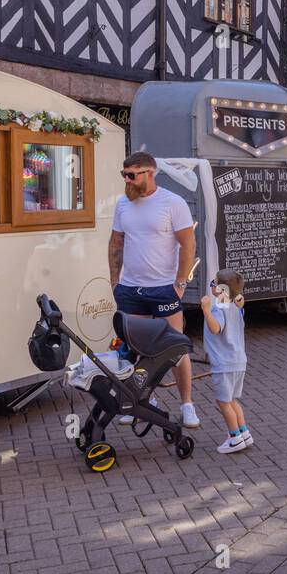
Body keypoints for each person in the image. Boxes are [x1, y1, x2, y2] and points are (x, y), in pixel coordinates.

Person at [109, 151, 200, 429]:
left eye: (132, 175)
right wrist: (114, 282)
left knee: (176, 349)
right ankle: (141, 401)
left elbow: (188, 245)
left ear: (150, 173)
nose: (127, 180)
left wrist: (180, 284)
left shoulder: (172, 203)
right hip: (130, 288)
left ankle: (187, 405)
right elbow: (115, 244)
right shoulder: (123, 204)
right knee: (133, 350)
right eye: (123, 174)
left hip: (163, 289)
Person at [199, 269, 251, 454]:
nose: (211, 286)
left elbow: (215, 328)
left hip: (224, 363)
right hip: (238, 361)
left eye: (213, 283)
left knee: (223, 402)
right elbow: (237, 301)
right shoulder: (235, 307)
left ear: (220, 290)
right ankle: (244, 433)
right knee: (232, 400)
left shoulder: (218, 308)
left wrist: (205, 309)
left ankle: (234, 438)